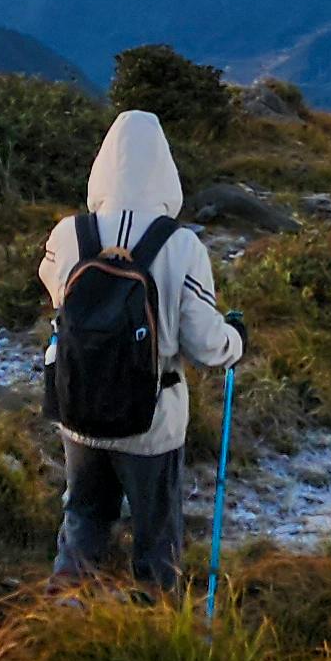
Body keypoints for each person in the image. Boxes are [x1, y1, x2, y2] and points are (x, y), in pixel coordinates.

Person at [39, 105, 245, 591]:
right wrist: (236, 340)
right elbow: (207, 345)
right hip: (152, 420)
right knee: (156, 529)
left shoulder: (70, 233)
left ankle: (65, 604)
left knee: (84, 513)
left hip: (79, 406)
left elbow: (57, 294)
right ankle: (154, 610)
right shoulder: (180, 246)